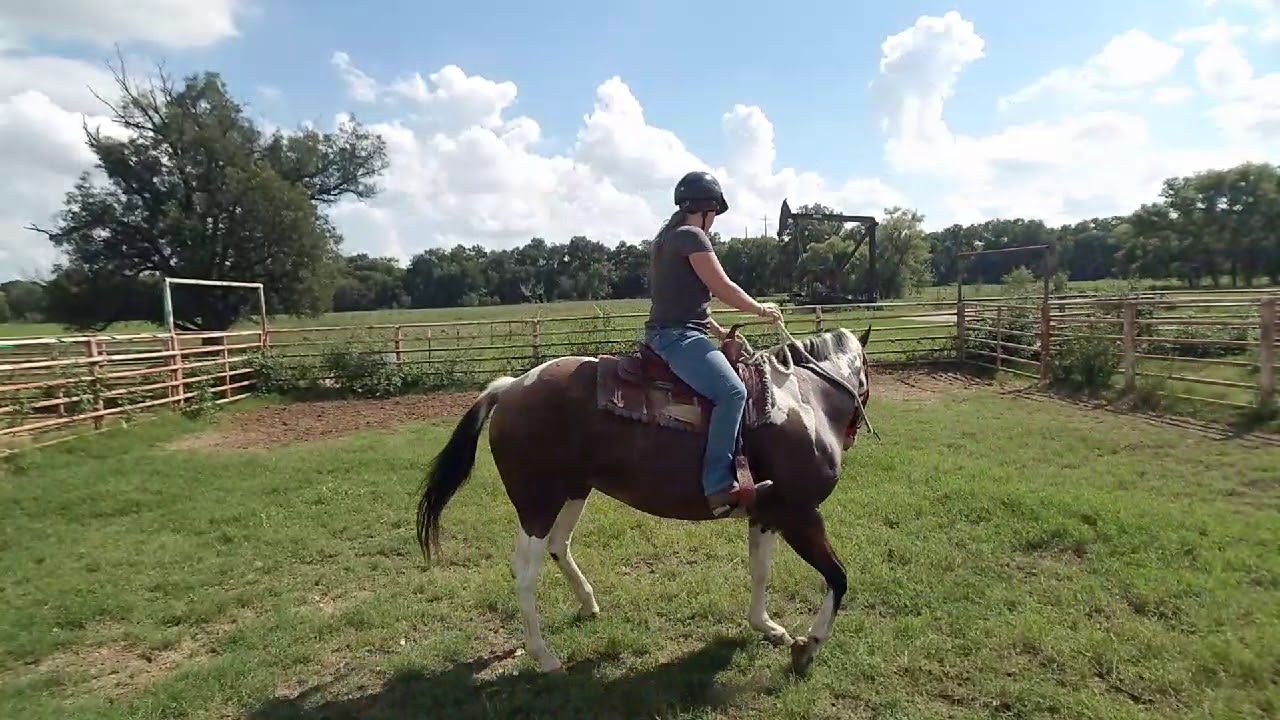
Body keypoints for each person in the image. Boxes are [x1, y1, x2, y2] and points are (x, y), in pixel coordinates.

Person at [642, 170, 785, 516]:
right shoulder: (692, 237)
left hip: (670, 332)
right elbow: (723, 287)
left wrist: (719, 331)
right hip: (678, 338)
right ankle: (719, 486)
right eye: (716, 215)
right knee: (732, 392)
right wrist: (760, 309)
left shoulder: (669, 238)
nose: (714, 222)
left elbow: (686, 300)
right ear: (708, 210)